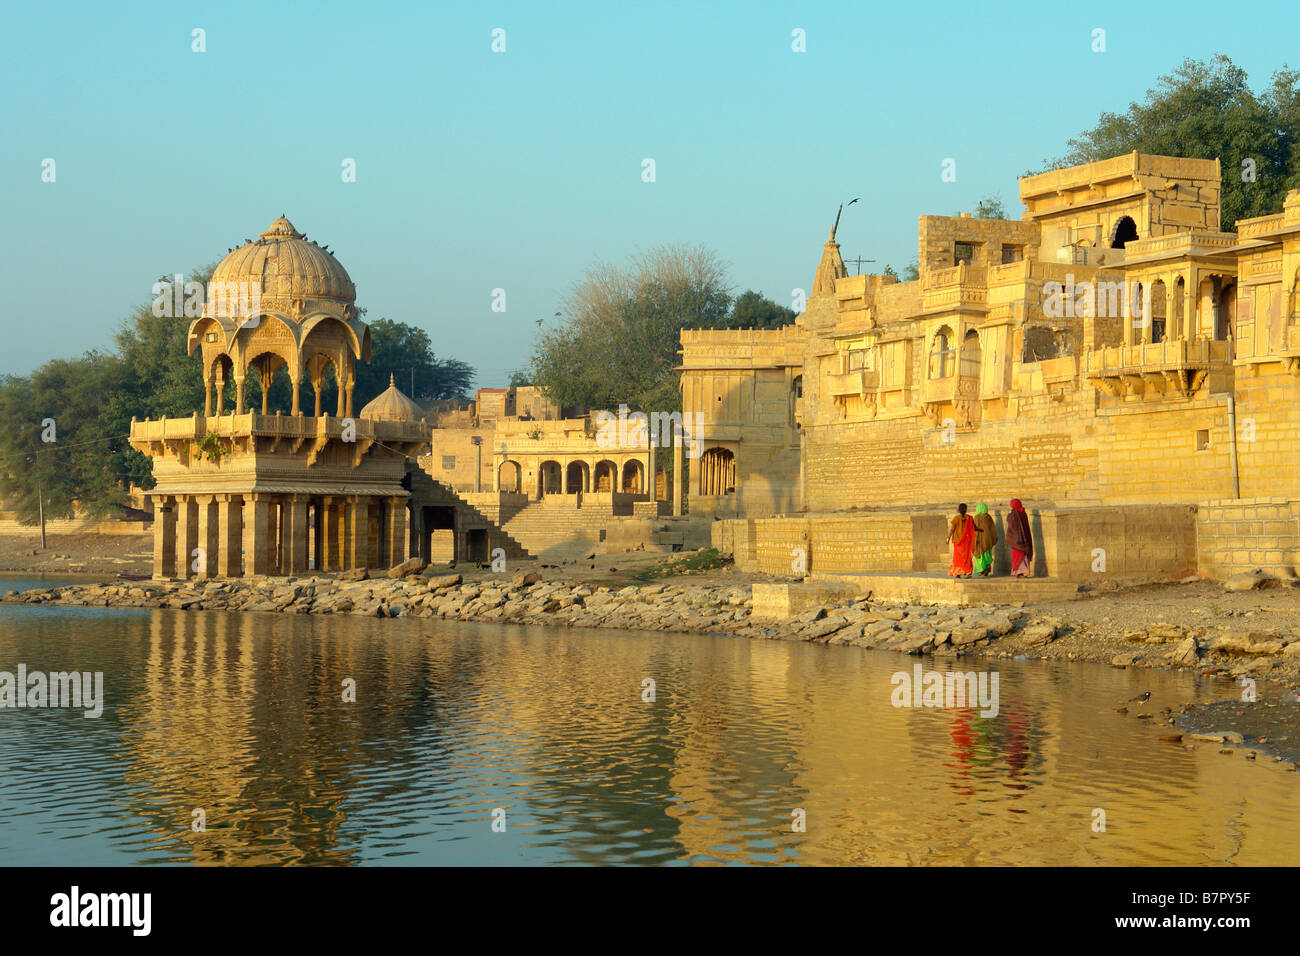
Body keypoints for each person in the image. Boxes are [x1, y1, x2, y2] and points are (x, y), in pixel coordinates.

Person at [1006, 498, 1033, 577]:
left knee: (1017, 555)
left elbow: (1011, 524)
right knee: (1023, 555)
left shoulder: (1014, 514)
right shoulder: (1023, 513)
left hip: (1016, 540)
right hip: (1024, 539)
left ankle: (1020, 572)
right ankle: (1024, 571)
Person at [947, 503, 975, 577]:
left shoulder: (956, 518)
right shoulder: (969, 518)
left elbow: (952, 529)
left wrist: (948, 538)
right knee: (966, 557)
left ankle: (958, 572)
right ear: (966, 509)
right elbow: (974, 527)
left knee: (958, 557)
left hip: (957, 541)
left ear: (959, 510)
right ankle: (968, 571)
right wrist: (981, 530)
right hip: (966, 541)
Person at [971, 502, 998, 576]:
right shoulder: (988, 517)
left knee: (980, 556)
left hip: (980, 542)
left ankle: (982, 571)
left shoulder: (977, 517)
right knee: (987, 555)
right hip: (988, 542)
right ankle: (986, 568)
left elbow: (974, 530)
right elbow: (992, 529)